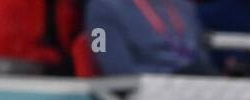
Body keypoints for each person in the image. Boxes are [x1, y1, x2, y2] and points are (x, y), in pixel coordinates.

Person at [86, 0, 216, 76]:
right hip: (144, 92)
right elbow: (116, 70)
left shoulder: (184, 6)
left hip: (196, 84)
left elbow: (202, 59)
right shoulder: (100, 8)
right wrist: (172, 78)